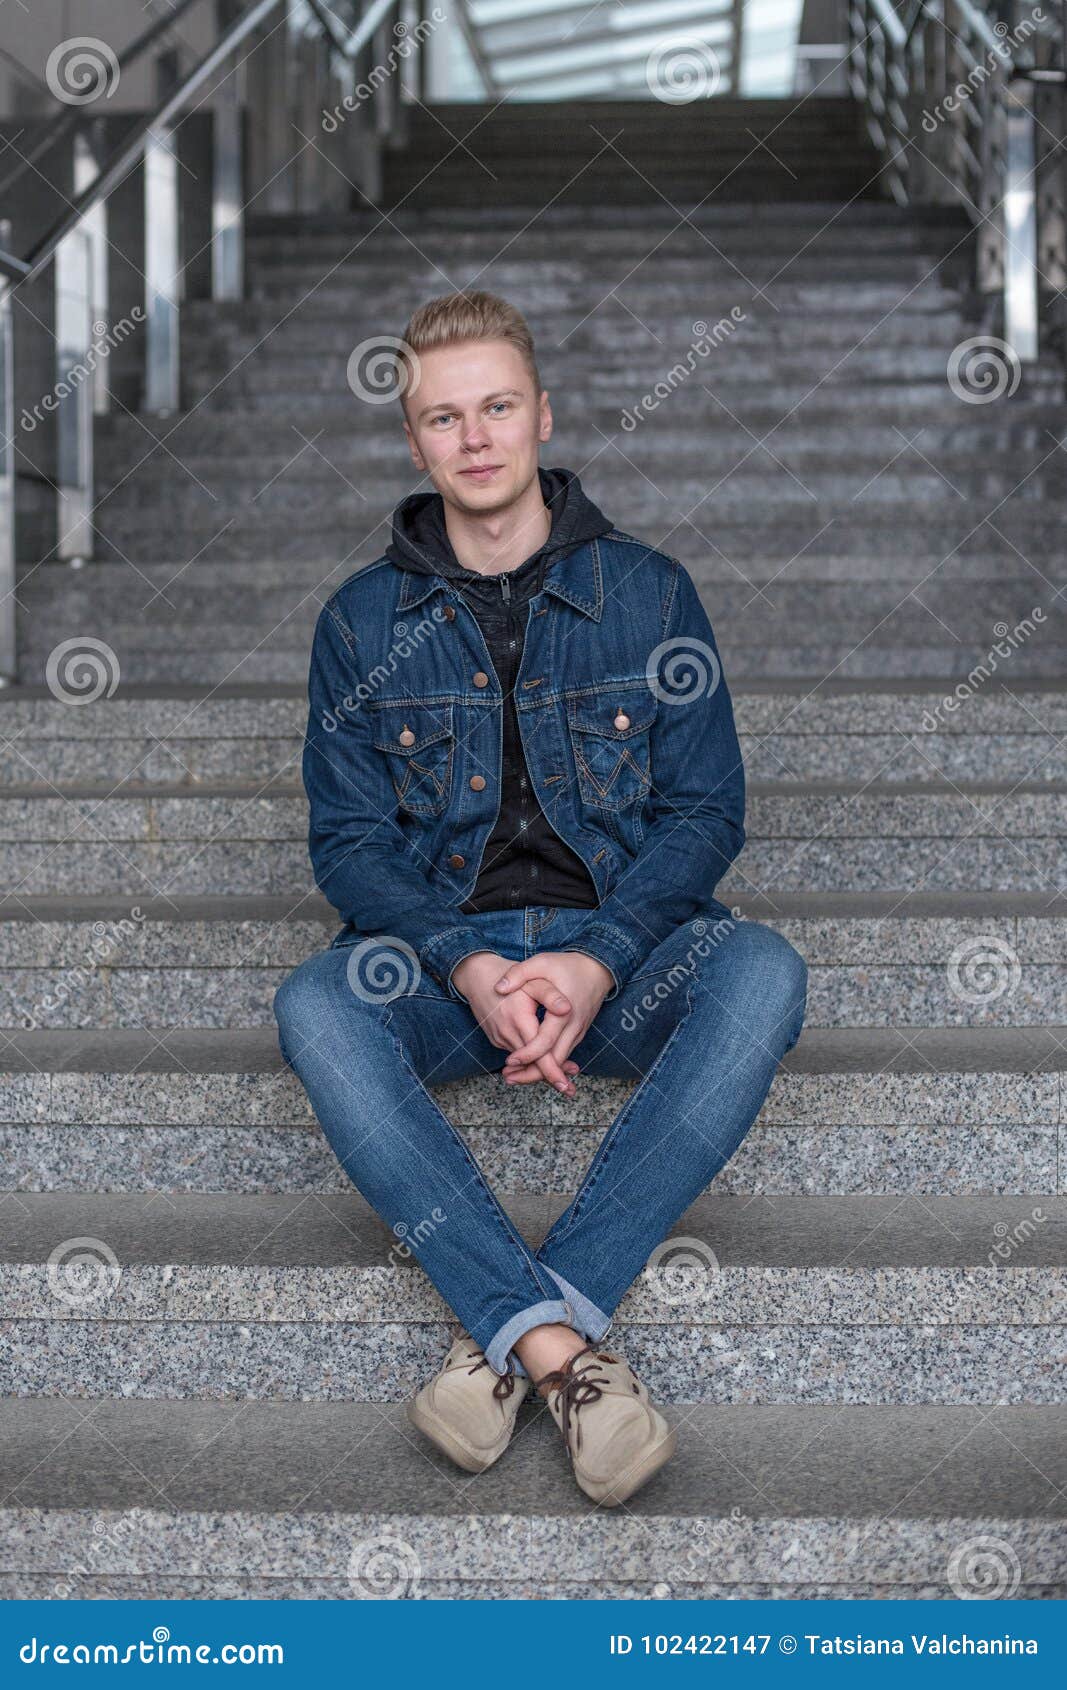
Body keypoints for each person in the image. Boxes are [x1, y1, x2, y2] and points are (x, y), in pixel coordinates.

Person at [273, 289, 807, 1507]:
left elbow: (703, 813)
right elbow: (350, 844)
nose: (474, 438)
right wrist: (465, 960)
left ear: (541, 416)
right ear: (413, 440)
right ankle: (560, 1351)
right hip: (443, 975)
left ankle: (509, 1333)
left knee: (761, 969)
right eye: (444, 416)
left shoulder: (649, 592)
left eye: (497, 407)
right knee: (317, 1004)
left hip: (615, 964)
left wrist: (601, 956)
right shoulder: (360, 623)